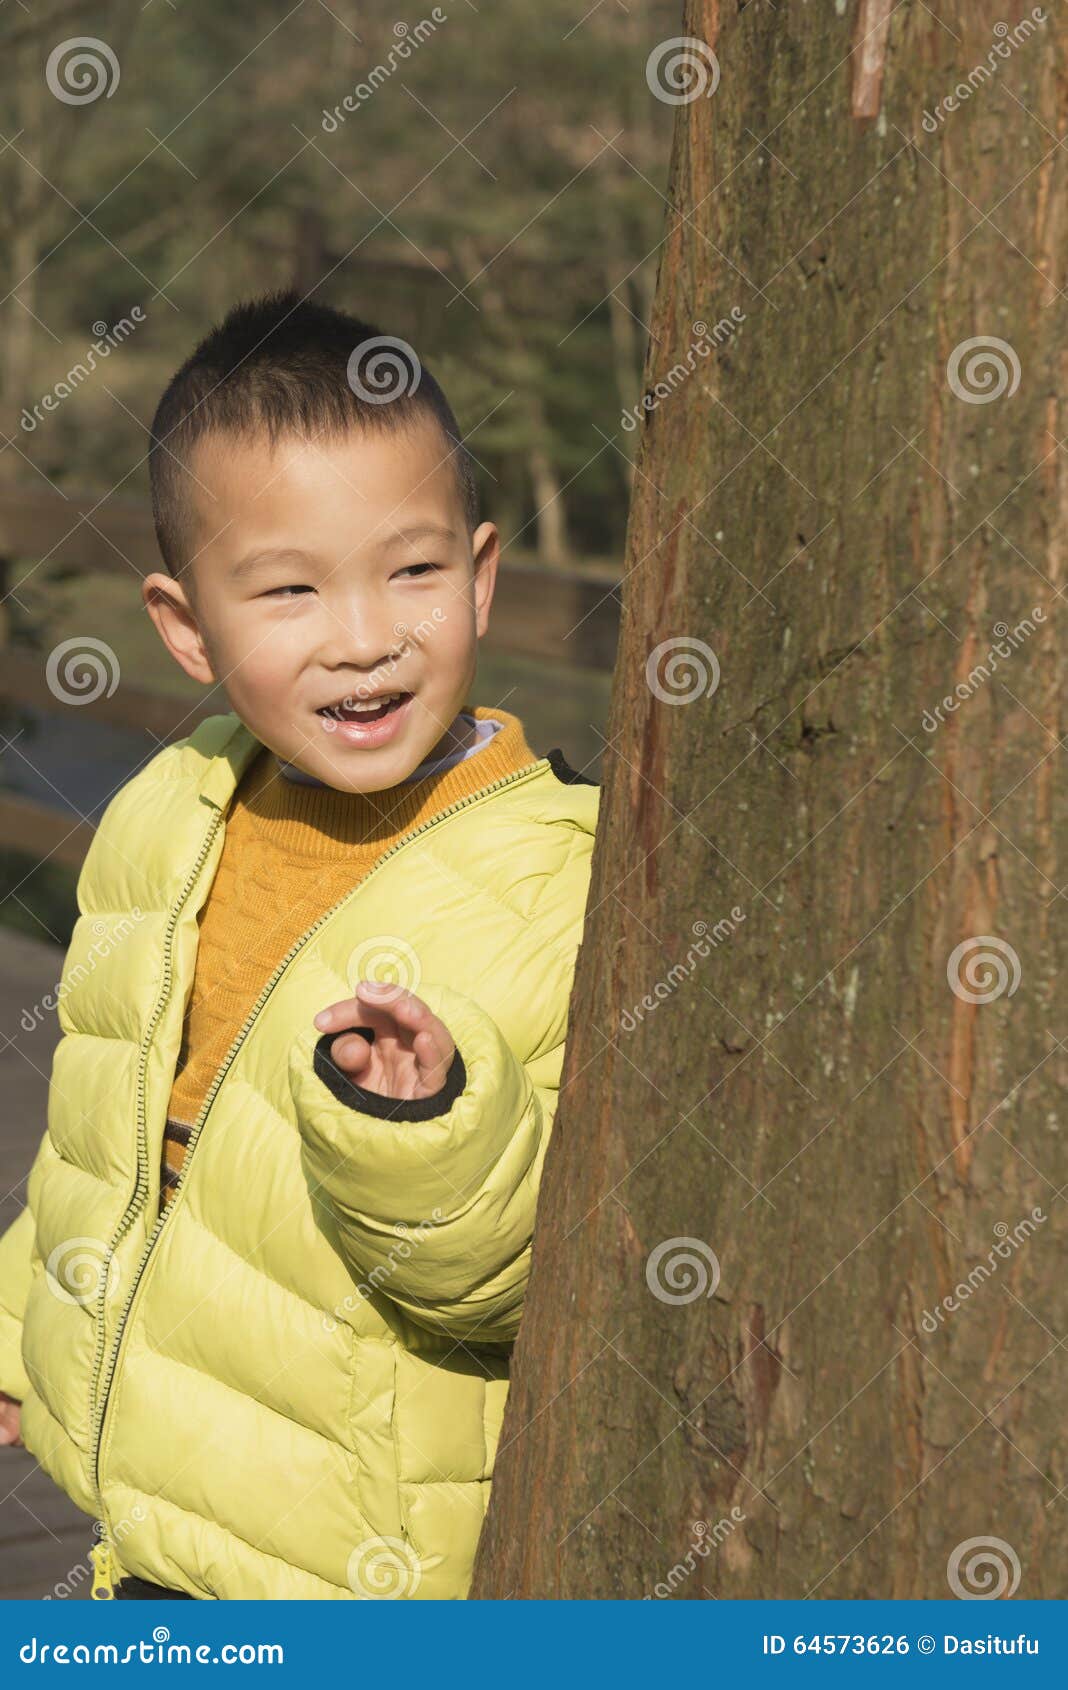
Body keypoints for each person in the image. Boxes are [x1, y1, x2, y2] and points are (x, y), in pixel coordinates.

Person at [0, 290, 599, 1599]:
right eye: (289, 590)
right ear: (183, 627)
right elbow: (104, 1136)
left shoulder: (558, 877)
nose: (365, 635)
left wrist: (429, 1120)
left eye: (415, 570)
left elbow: (521, 1272)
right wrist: (17, 1325)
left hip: (357, 1561)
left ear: (483, 575)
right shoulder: (172, 811)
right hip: (151, 1524)